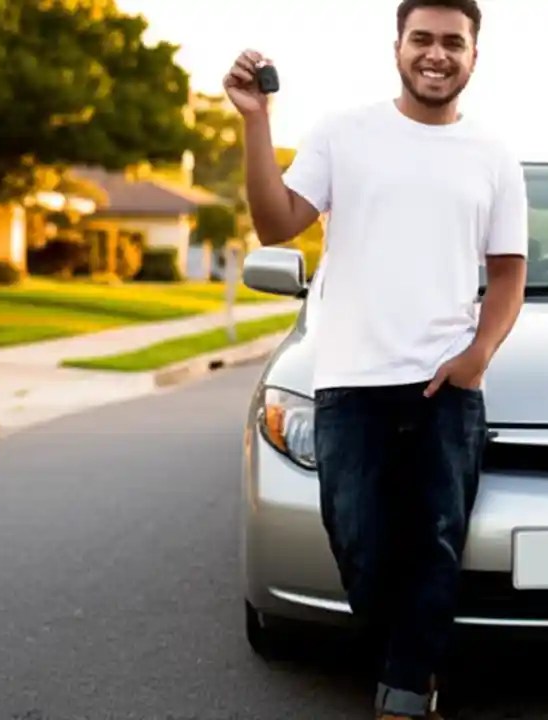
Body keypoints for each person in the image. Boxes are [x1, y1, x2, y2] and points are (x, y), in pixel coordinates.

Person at [223, 0, 527, 717]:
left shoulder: (492, 155)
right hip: (350, 384)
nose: (437, 53)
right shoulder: (343, 133)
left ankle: (405, 692)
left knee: (435, 547)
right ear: (398, 47)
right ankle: (413, 659)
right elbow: (276, 224)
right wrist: (256, 122)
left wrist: (478, 355)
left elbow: (509, 272)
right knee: (359, 544)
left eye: (454, 42)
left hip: (443, 387)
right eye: (422, 38)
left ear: (474, 57)